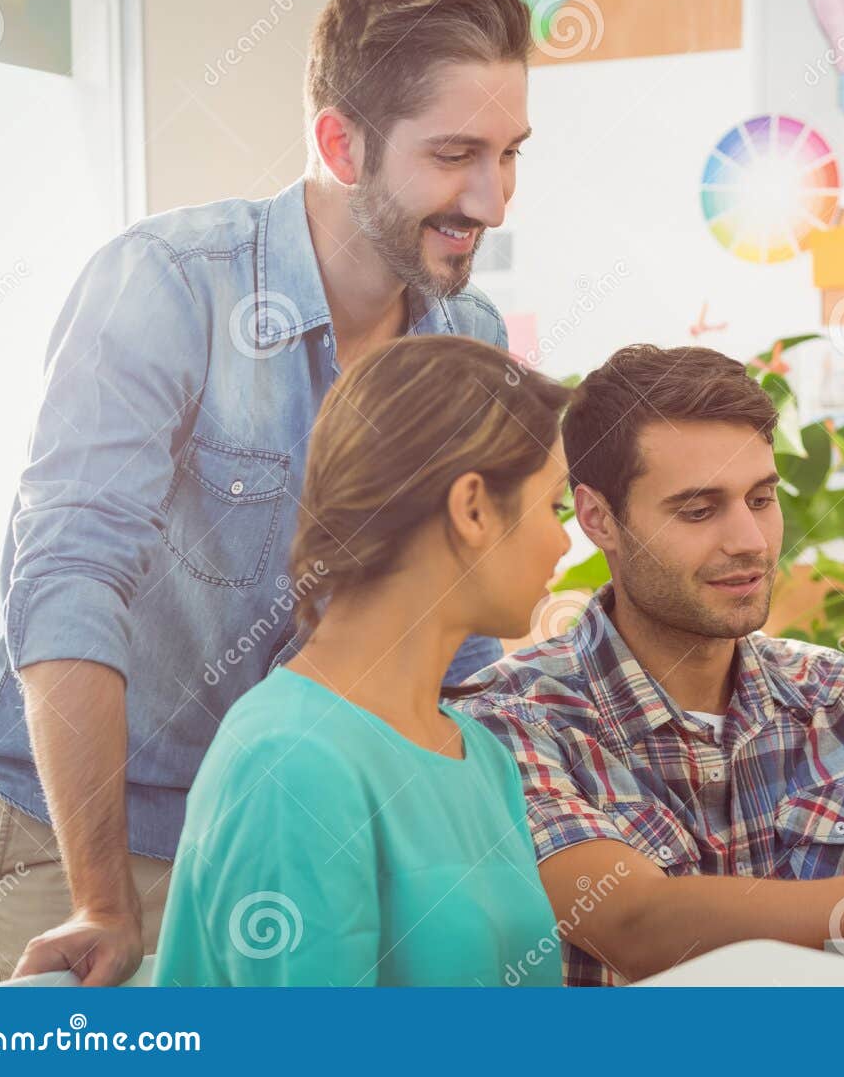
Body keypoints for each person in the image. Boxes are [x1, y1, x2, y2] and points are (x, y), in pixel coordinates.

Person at [0, 0, 534, 985]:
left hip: (312, 814)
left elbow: (449, 637)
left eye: (508, 153)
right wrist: (102, 895)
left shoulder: (470, 337)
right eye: (455, 155)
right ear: (338, 142)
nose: (490, 197)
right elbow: (68, 580)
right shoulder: (168, 284)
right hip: (94, 812)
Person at [465, 344, 844, 985]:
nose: (750, 542)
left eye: (760, 499)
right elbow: (635, 923)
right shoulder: (510, 719)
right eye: (698, 510)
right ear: (598, 519)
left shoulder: (832, 694)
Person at [155, 336, 570, 986]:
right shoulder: (293, 763)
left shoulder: (481, 758)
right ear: (472, 508)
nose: (565, 539)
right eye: (555, 505)